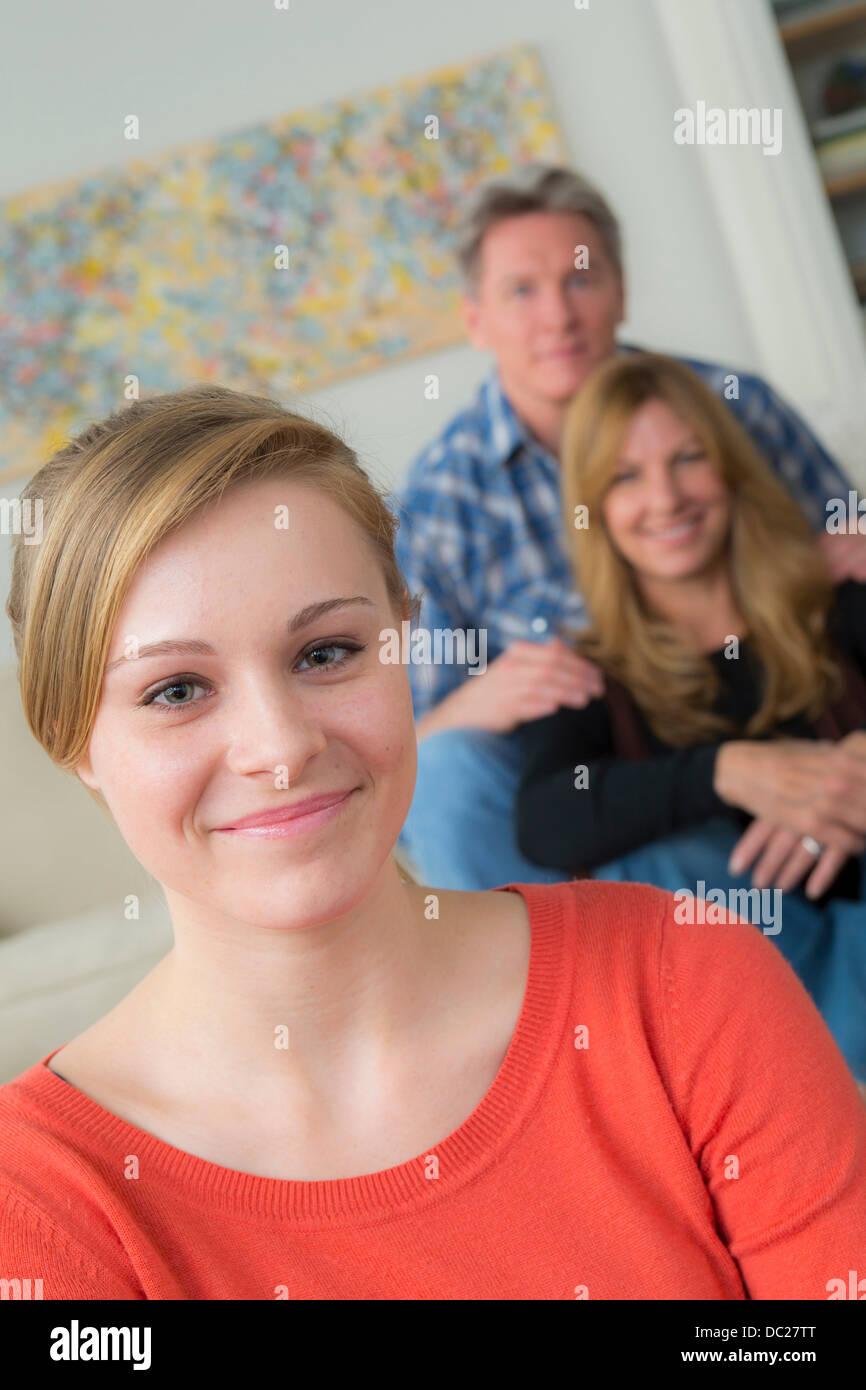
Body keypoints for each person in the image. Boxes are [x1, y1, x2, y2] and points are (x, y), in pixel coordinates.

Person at [0, 384, 864, 1300]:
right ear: (71, 739)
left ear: (405, 645)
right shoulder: (45, 1197)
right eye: (175, 690)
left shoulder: (685, 981)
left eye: (326, 652)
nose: (283, 746)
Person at [394, 163, 866, 890]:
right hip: (604, 797)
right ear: (475, 319)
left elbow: (848, 558)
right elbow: (407, 748)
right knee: (452, 771)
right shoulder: (442, 501)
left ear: (620, 290)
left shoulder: (736, 406)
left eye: (580, 279)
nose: (558, 316)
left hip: (782, 742)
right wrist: (476, 700)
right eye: (522, 290)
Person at [515, 351, 866, 1089]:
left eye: (688, 461)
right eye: (626, 477)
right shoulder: (591, 672)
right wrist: (735, 772)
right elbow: (547, 823)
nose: (666, 498)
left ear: (731, 472)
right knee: (647, 869)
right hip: (765, 982)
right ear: (595, 508)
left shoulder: (833, 600)